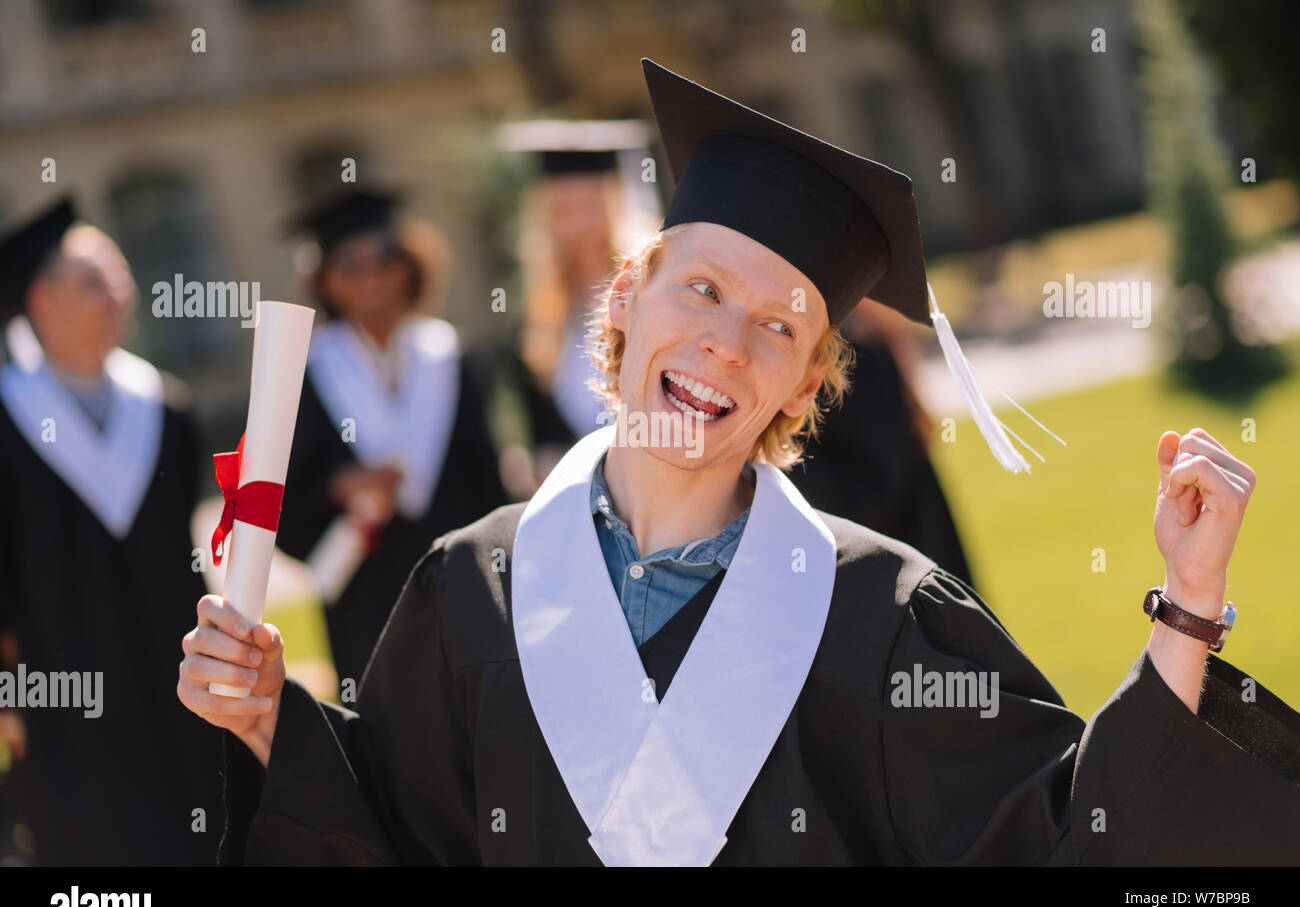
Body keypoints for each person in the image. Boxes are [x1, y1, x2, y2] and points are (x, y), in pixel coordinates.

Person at [179, 61, 1300, 865]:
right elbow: (388, 826)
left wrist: (1186, 606)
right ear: (624, 298)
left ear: (807, 386)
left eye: (779, 326)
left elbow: (1070, 836)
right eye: (702, 288)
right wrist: (272, 716)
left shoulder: (885, 615)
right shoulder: (468, 588)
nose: (725, 341)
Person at [0, 197, 224, 864]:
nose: (119, 290)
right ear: (41, 301)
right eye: (95, 279)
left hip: (178, 688)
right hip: (62, 703)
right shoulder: (10, 421)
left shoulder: (166, 407)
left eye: (119, 272)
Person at [274, 188, 509, 691]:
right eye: (348, 265)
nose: (371, 277)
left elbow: (489, 483)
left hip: (464, 584)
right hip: (367, 602)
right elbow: (281, 504)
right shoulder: (304, 375)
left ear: (409, 264)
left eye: (385, 258)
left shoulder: (451, 358)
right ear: (325, 282)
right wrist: (340, 486)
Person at [495, 120, 661, 490]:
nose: (579, 224)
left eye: (591, 207)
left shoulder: (652, 287)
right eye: (564, 210)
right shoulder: (543, 314)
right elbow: (543, 434)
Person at [793, 298, 976, 587]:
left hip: (898, 560)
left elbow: (876, 491)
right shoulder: (863, 337)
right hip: (911, 552)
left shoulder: (854, 353)